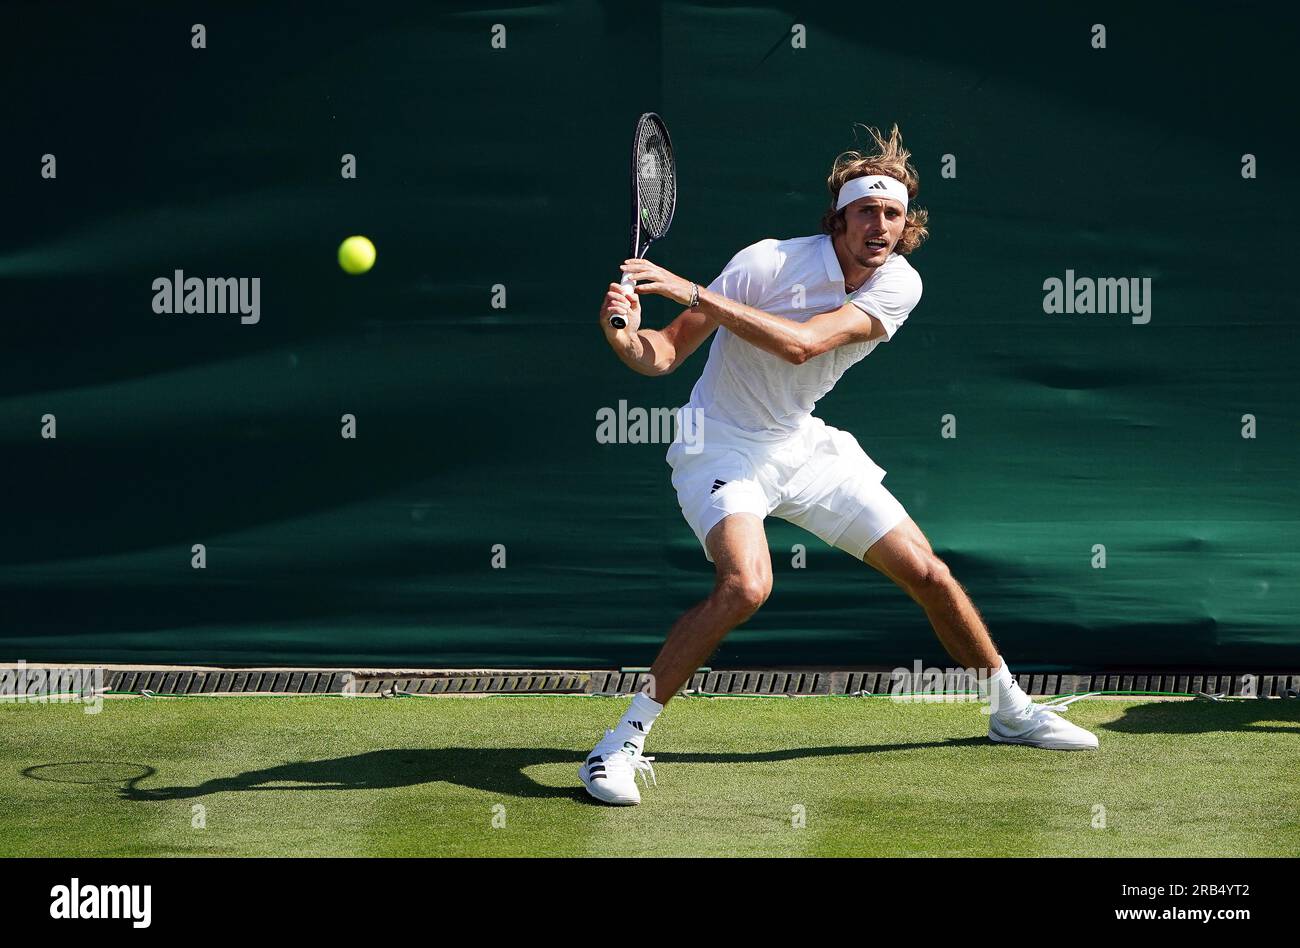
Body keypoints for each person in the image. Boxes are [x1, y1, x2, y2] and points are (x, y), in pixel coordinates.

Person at [585, 124, 1097, 806]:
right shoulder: (765, 264)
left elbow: (803, 346)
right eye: (866, 212)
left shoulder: (899, 285)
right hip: (723, 446)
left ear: (905, 223)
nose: (880, 226)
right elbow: (663, 355)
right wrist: (621, 330)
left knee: (929, 573)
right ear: (839, 220)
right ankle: (618, 743)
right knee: (745, 587)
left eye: (892, 214)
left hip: (803, 446)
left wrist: (691, 290)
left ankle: (1010, 708)